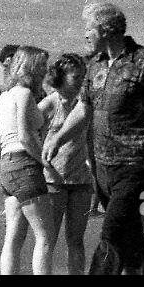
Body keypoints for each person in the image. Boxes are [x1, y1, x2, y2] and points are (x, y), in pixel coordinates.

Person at [44, 2, 144, 275]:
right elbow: (84, 108)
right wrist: (57, 138)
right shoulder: (93, 66)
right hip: (103, 168)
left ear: (106, 30)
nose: (85, 35)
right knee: (130, 238)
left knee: (111, 232)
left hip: (137, 164)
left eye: (89, 29)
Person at [0, 46, 56, 275]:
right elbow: (24, 135)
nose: (45, 71)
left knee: (13, 237)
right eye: (41, 66)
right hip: (24, 165)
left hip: (6, 165)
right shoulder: (24, 94)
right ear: (31, 67)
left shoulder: (5, 95)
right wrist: (45, 162)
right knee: (45, 236)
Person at [38, 53, 94, 275]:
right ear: (60, 77)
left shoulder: (85, 103)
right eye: (75, 77)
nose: (80, 81)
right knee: (48, 241)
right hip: (53, 179)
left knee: (76, 240)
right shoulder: (49, 104)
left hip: (81, 179)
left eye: (82, 76)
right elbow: (30, 134)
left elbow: (90, 137)